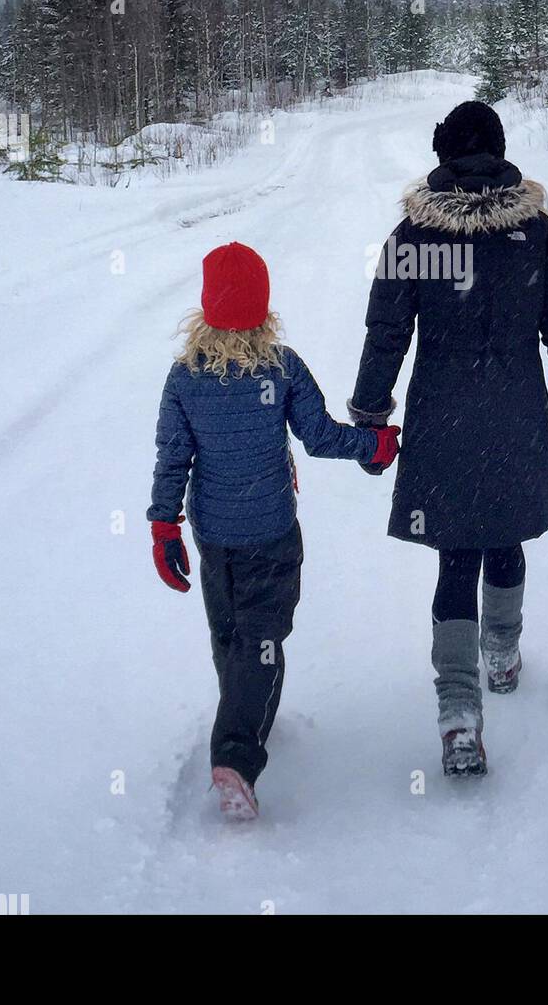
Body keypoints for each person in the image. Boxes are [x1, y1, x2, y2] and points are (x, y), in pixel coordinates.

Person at [349, 101, 548, 777]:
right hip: (516, 413)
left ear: (442, 157)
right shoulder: (538, 233)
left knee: (455, 559)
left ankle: (459, 716)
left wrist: (372, 415)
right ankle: (502, 654)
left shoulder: (414, 236)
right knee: (506, 538)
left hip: (443, 418)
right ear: (498, 150)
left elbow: (387, 335)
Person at [148, 241, 399, 820]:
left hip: (215, 535)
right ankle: (236, 753)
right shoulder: (281, 367)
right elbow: (321, 437)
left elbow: (172, 457)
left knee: (231, 630)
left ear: (206, 307)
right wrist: (377, 445)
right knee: (263, 634)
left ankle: (240, 708)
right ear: (264, 308)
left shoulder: (184, 377)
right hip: (271, 532)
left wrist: (166, 524)